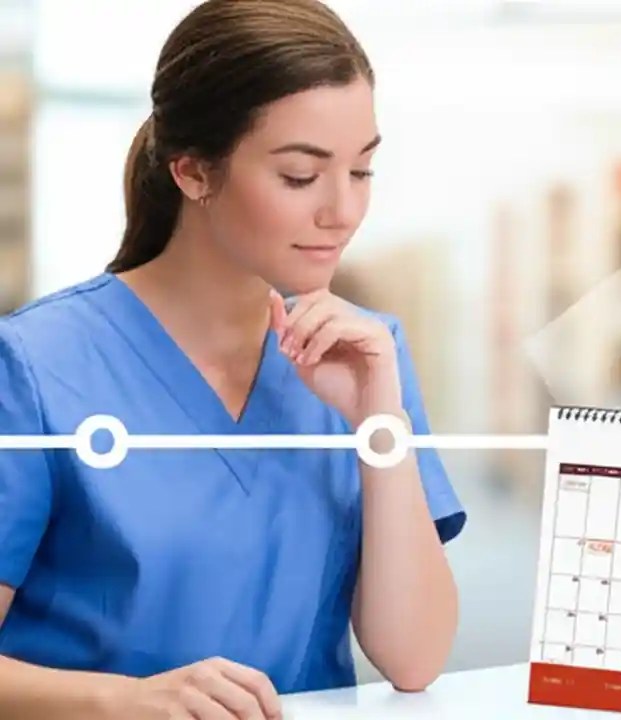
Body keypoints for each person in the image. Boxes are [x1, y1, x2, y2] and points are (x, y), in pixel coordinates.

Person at [0, 1, 467, 717]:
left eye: (363, 170)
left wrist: (380, 422)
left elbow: (415, 658)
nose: (343, 211)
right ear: (193, 172)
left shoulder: (368, 356)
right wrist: (124, 701)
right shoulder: (37, 365)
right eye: (300, 176)